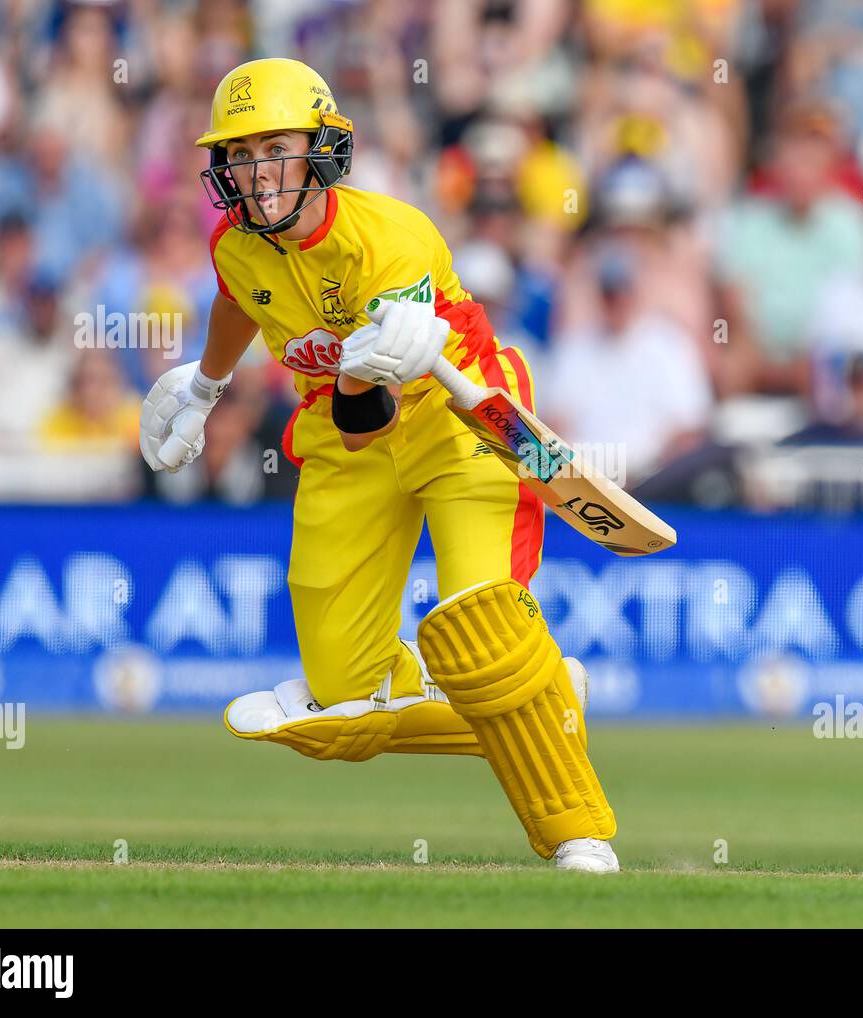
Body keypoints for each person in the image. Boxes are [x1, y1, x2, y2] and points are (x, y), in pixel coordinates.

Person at [138, 59, 617, 872]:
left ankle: (576, 834)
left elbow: (373, 418)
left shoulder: (391, 239)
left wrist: (365, 369)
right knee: (344, 705)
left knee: (485, 626)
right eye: (241, 154)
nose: (257, 174)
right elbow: (237, 297)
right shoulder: (236, 245)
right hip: (336, 427)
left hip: (455, 419)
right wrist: (205, 386)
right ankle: (539, 695)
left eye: (277, 149)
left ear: (325, 149)